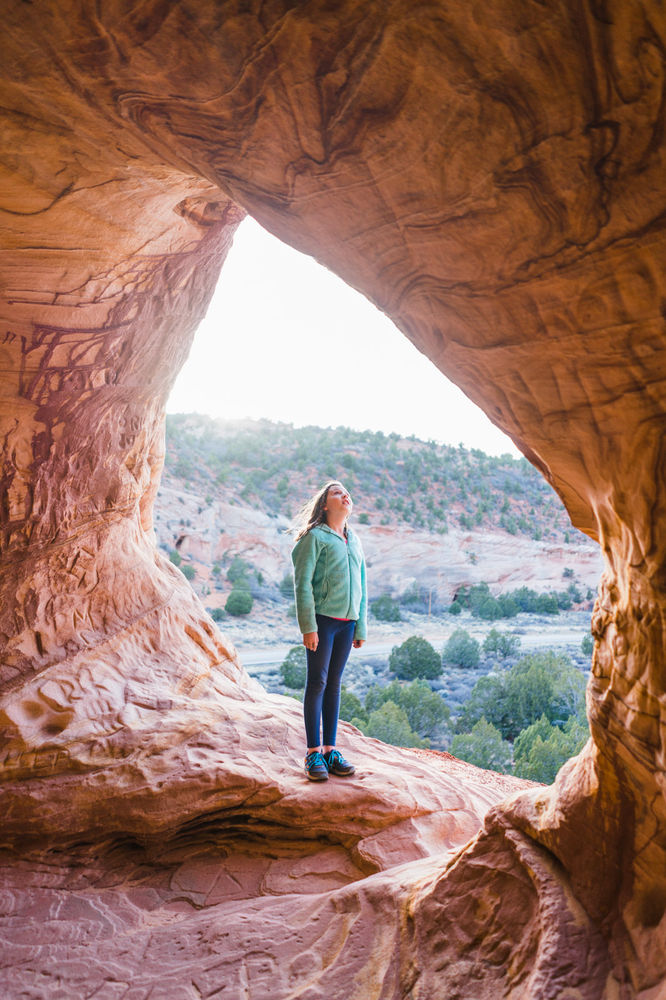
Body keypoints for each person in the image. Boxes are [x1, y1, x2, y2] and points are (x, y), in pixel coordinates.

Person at [291, 481, 367, 781]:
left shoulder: (354, 539)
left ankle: (330, 750)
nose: (345, 495)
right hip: (322, 621)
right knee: (317, 682)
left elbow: (362, 584)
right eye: (337, 492)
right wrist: (308, 627)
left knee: (334, 683)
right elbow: (303, 585)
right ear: (325, 504)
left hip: (347, 624)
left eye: (347, 491)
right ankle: (312, 753)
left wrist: (360, 624)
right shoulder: (314, 538)